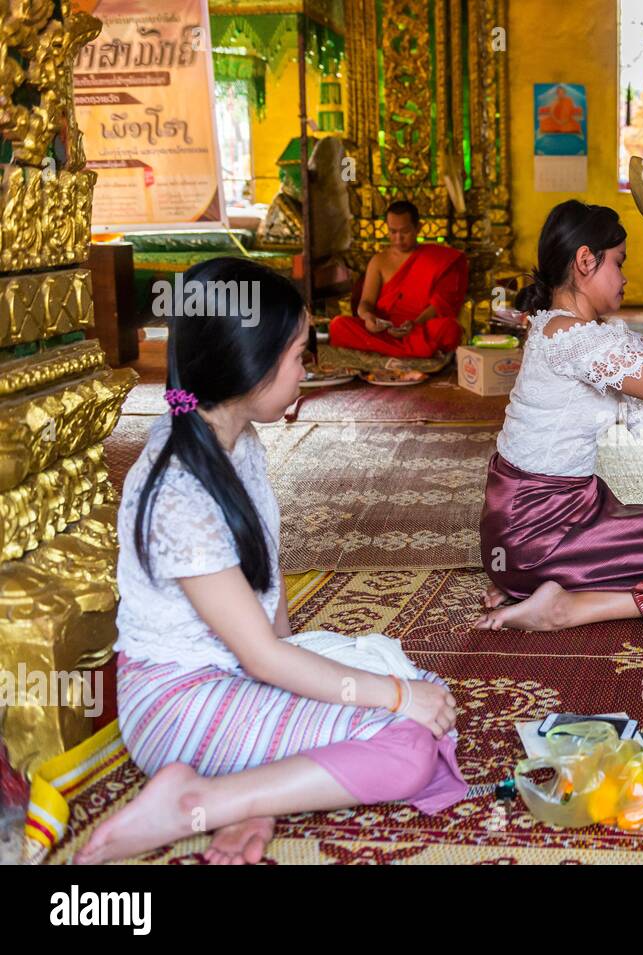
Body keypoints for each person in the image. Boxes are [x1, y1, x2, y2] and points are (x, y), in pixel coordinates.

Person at [77, 258, 463, 865]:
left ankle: (250, 796)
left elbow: (271, 603)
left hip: (242, 674)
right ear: (250, 364)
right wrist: (386, 697)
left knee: (421, 692)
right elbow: (262, 654)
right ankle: (190, 802)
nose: (307, 372)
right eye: (299, 356)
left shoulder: (237, 441)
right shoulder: (178, 486)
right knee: (408, 743)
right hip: (179, 703)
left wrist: (331, 681)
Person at [475, 199, 643, 636]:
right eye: (619, 263)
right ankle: (563, 609)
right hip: (537, 532)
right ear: (585, 260)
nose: (625, 278)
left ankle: (527, 585)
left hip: (536, 523)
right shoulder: (569, 338)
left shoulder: (568, 330)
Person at [327, 200, 467, 359]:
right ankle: (413, 353)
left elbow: (439, 305)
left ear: (418, 228)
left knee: (450, 329)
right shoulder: (379, 260)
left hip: (418, 330)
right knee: (338, 325)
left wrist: (414, 325)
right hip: (384, 331)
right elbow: (366, 303)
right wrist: (367, 318)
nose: (398, 238)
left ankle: (382, 353)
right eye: (393, 232)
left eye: (405, 232)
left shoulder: (437, 259)